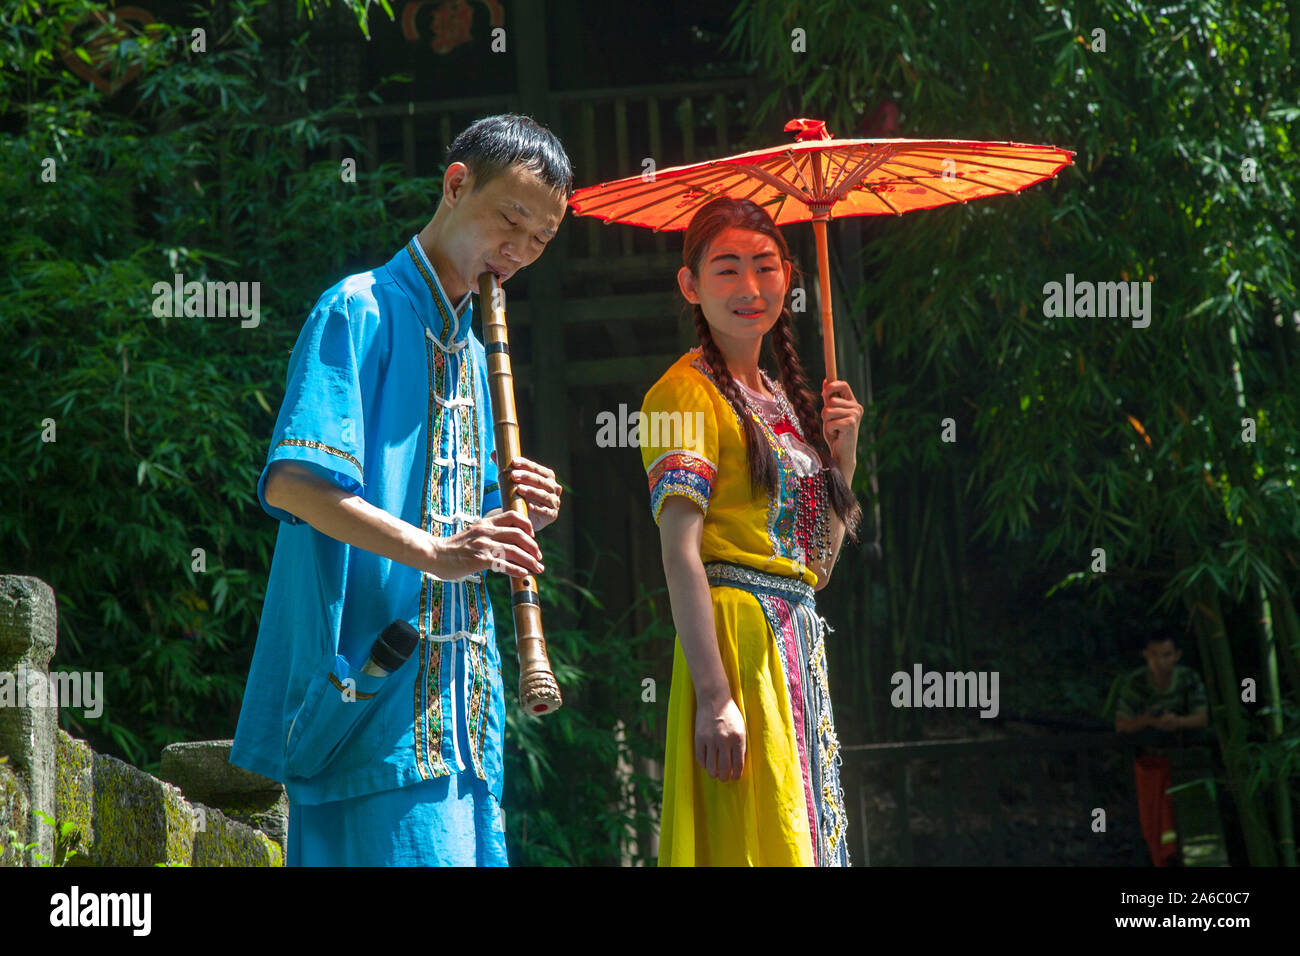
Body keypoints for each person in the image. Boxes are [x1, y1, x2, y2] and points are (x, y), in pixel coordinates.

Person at [229, 114, 571, 866]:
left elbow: (465, 527)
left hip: (459, 709)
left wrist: (516, 516)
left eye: (539, 242)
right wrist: (438, 552)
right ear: (456, 185)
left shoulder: (475, 353)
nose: (517, 252)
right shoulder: (359, 308)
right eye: (510, 221)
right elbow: (292, 485)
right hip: (369, 698)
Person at [640, 196, 865, 866]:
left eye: (765, 267)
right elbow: (679, 554)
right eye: (727, 269)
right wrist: (714, 697)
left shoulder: (791, 401)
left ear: (789, 277)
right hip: (734, 646)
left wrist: (843, 457)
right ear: (691, 285)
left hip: (793, 636)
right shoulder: (676, 394)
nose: (749, 288)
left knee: (799, 834)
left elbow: (817, 569)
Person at [1113, 632, 1210, 866]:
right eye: (1155, 655)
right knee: (1153, 824)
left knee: (1194, 828)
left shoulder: (1188, 679)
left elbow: (1202, 718)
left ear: (1176, 656)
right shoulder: (1135, 683)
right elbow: (1122, 725)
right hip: (1150, 765)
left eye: (1166, 655)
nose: (1161, 662)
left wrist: (1177, 722)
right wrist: (1148, 721)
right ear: (1146, 656)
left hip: (1186, 762)